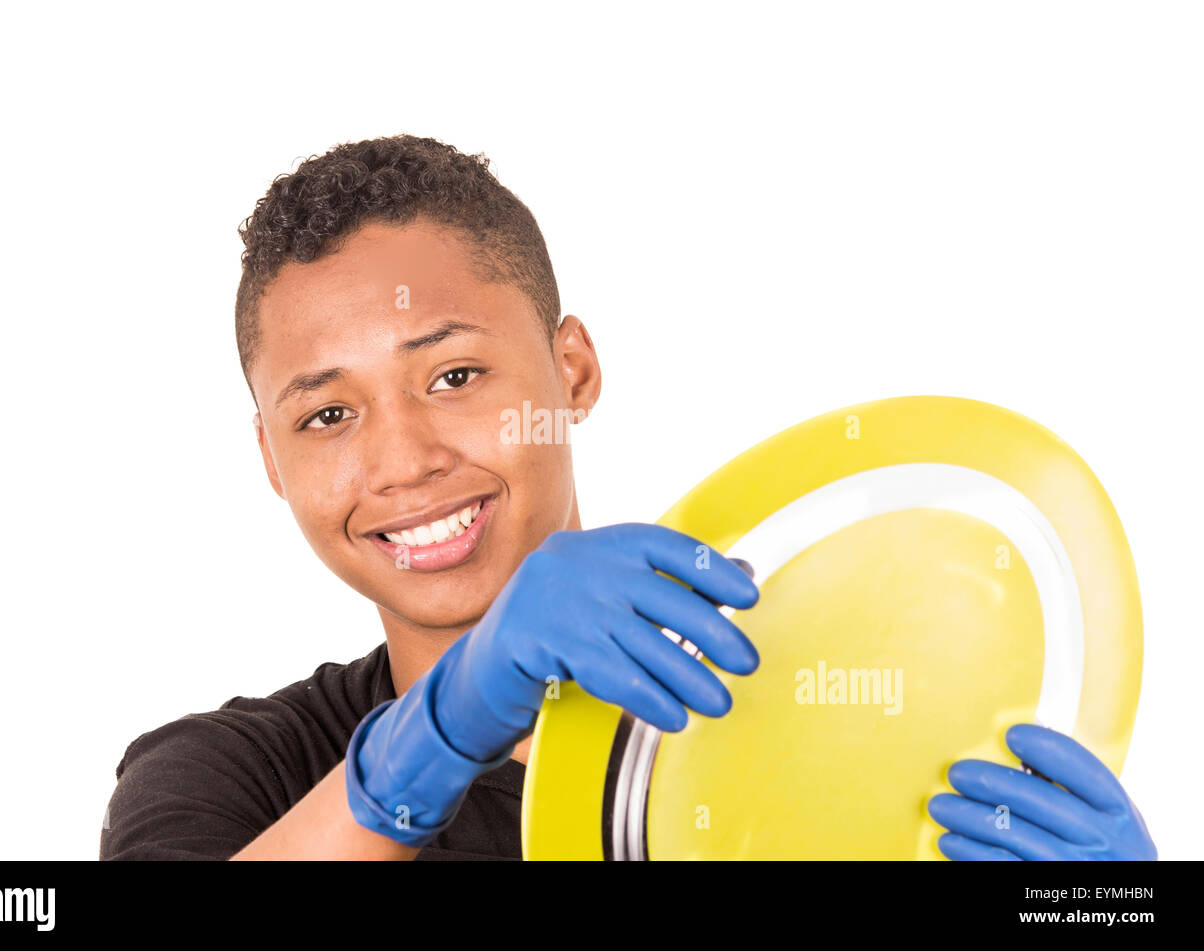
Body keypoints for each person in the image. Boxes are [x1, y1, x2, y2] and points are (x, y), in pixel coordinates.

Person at [100, 135, 1155, 861]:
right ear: (270, 460)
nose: (402, 460)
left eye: (454, 376)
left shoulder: (842, 731)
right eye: (327, 416)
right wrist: (443, 727)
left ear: (573, 372)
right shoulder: (231, 777)